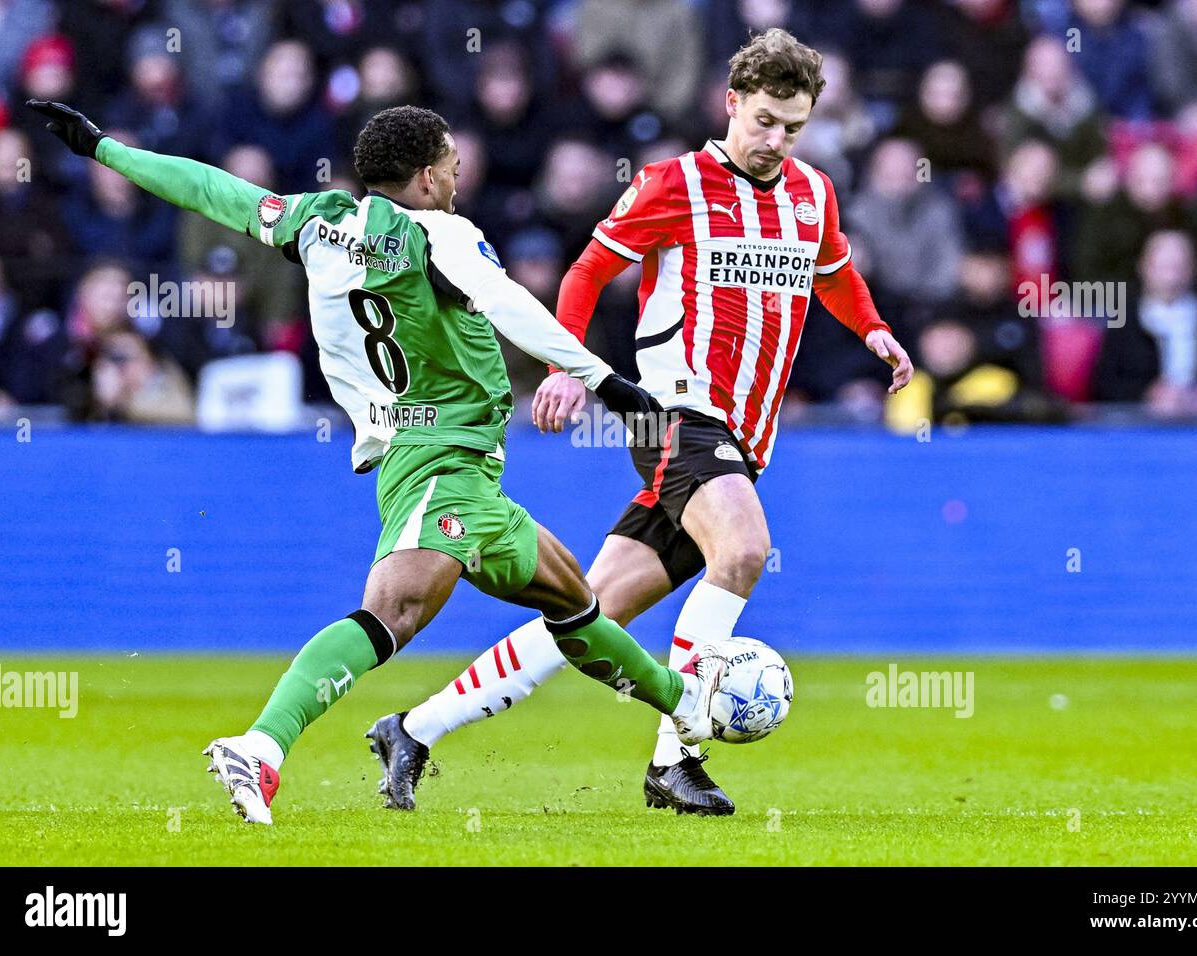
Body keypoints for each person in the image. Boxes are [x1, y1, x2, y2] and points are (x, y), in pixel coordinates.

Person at [26, 98, 728, 825]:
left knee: (572, 600)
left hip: (454, 465)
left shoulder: (319, 222)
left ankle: (689, 705)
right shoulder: (444, 234)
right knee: (391, 613)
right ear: (426, 176)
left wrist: (107, 149)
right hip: (437, 458)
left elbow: (214, 190)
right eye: (451, 161)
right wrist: (606, 383)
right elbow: (508, 301)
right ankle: (261, 747)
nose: (458, 171)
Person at [381, 29, 913, 816]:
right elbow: (589, 269)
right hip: (679, 417)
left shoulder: (813, 193)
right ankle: (679, 754)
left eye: (794, 127)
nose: (777, 140)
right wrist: (567, 366)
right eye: (765, 120)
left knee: (586, 614)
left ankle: (413, 729)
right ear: (732, 103)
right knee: (745, 551)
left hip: (743, 441)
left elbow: (834, 272)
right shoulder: (674, 184)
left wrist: (871, 330)